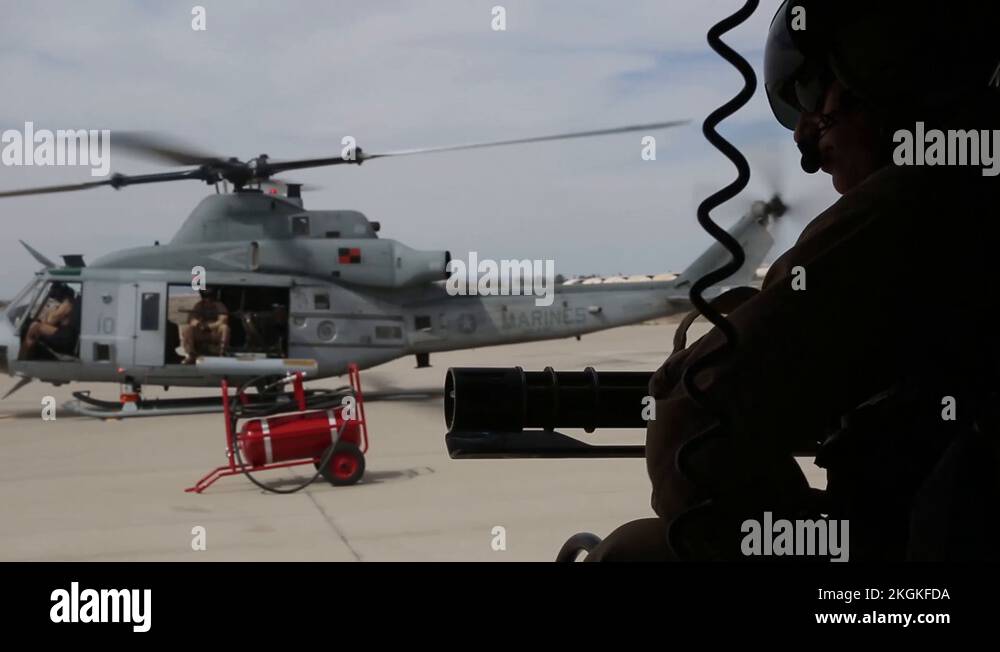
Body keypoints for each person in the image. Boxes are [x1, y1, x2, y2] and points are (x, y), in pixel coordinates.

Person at [587, 1, 1000, 561]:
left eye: (809, 96)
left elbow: (692, 434)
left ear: (885, 66)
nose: (806, 143)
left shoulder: (916, 201)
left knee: (631, 554)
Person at [19, 283, 79, 360]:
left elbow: (51, 320)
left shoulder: (68, 303)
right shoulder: (67, 303)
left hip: (66, 335)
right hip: (65, 332)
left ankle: (23, 357)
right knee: (36, 326)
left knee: (35, 327)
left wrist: (49, 314)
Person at [180, 289, 230, 364]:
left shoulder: (219, 305)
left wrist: (210, 326)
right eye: (205, 297)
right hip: (201, 331)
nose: (208, 299)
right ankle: (191, 354)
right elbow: (192, 319)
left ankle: (222, 353)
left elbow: (223, 319)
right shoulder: (199, 305)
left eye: (210, 297)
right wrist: (199, 324)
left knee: (225, 328)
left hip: (214, 331)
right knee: (187, 328)